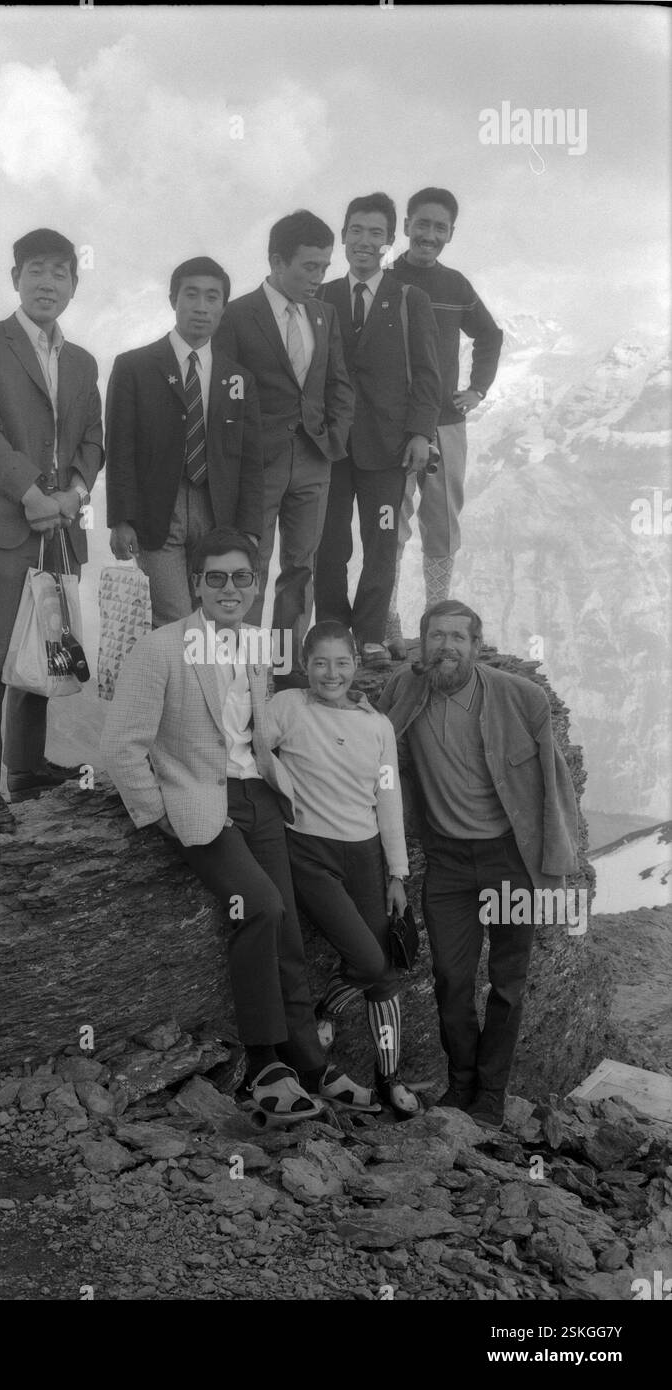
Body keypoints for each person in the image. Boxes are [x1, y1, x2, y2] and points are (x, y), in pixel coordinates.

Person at [100, 527, 375, 1123]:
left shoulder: (256, 645)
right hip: (200, 804)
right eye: (216, 577)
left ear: (255, 584)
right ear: (196, 583)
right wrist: (162, 816)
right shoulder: (160, 649)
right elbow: (122, 746)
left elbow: (260, 723)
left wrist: (355, 713)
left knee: (290, 933)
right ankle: (263, 1065)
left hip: (260, 797)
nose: (230, 588)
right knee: (260, 907)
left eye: (242, 577)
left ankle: (308, 1060)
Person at [376, 600, 580, 1128]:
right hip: (446, 862)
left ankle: (491, 1093)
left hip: (508, 859)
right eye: (435, 635)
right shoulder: (403, 689)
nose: (446, 645)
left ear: (475, 644)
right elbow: (371, 745)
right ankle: (460, 1081)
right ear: (422, 644)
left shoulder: (522, 698)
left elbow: (555, 790)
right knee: (451, 979)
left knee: (507, 981)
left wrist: (556, 868)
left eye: (457, 636)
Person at [0, 228, 103, 834]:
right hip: (2, 524)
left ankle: (27, 768)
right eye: (36, 270)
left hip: (61, 526)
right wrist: (32, 495)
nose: (48, 282)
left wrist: (72, 496)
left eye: (61, 273)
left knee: (45, 648)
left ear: (73, 284)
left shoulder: (85, 361)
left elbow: (94, 441)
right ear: (16, 278)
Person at [267, 620, 421, 1118]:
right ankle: (325, 1012)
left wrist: (396, 873)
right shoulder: (287, 709)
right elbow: (244, 753)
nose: (330, 673)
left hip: (365, 853)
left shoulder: (376, 726)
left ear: (355, 665)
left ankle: (388, 1079)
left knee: (385, 976)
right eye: (319, 662)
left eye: (341, 662)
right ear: (303, 665)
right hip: (310, 854)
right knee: (371, 960)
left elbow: (387, 796)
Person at [215, 211, 354, 685]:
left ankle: (286, 665)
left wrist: (334, 437)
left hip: (315, 458)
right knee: (251, 561)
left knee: (301, 565)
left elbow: (338, 381)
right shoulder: (235, 315)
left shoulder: (324, 313)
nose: (319, 278)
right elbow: (224, 392)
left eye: (324, 266)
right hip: (258, 463)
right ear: (276, 260)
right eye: (308, 267)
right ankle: (244, 666)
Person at [316, 193, 441, 666]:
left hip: (388, 449)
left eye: (375, 233)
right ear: (343, 235)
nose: (364, 242)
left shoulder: (410, 300)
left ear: (390, 241)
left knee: (381, 543)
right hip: (329, 446)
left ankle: (368, 635)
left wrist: (419, 434)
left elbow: (429, 375)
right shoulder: (322, 297)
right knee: (328, 546)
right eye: (356, 231)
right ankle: (330, 632)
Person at [105, 257, 263, 627]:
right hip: (160, 512)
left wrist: (251, 530)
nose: (202, 307)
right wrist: (121, 520)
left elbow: (250, 460)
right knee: (176, 619)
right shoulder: (135, 367)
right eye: (191, 295)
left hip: (218, 513)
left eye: (213, 297)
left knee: (217, 619)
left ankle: (210, 687)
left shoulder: (238, 378)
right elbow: (120, 447)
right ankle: (179, 684)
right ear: (173, 299)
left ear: (224, 307)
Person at [387, 189, 504, 657]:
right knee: (389, 522)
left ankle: (439, 620)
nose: (429, 234)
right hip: (391, 424)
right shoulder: (385, 281)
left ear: (451, 234)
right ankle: (387, 622)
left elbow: (490, 336)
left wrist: (477, 389)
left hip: (445, 422)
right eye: (422, 223)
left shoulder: (457, 286)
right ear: (407, 226)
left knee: (442, 521)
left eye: (440, 227)